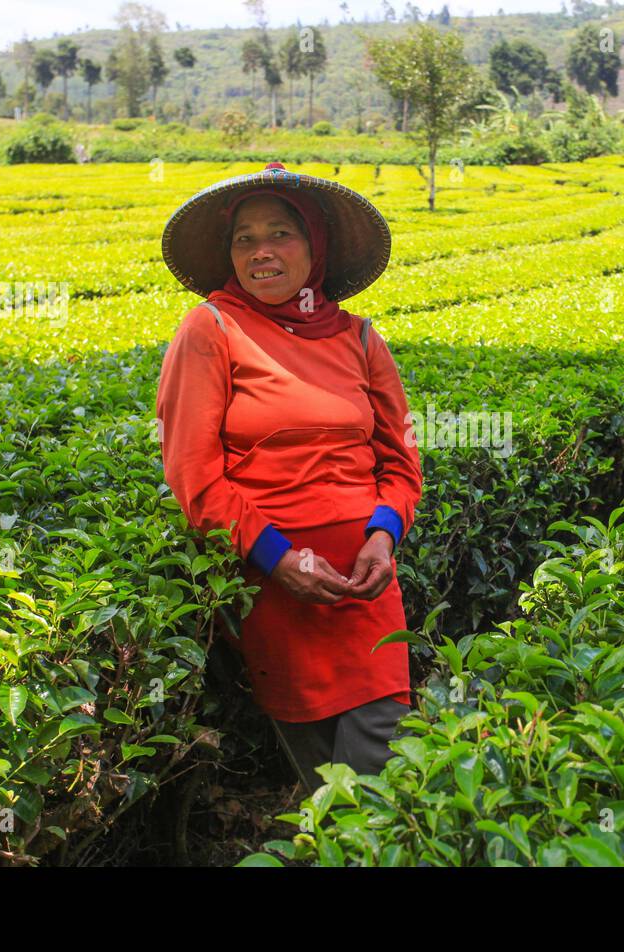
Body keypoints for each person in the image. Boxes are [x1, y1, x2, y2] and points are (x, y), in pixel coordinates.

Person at [155, 161, 423, 793]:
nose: (261, 251)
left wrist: (383, 536)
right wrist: (278, 558)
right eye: (244, 238)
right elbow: (195, 475)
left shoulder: (360, 340)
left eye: (281, 233)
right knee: (331, 776)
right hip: (275, 588)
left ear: (316, 247)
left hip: (367, 586)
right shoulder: (210, 330)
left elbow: (401, 460)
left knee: (383, 767)